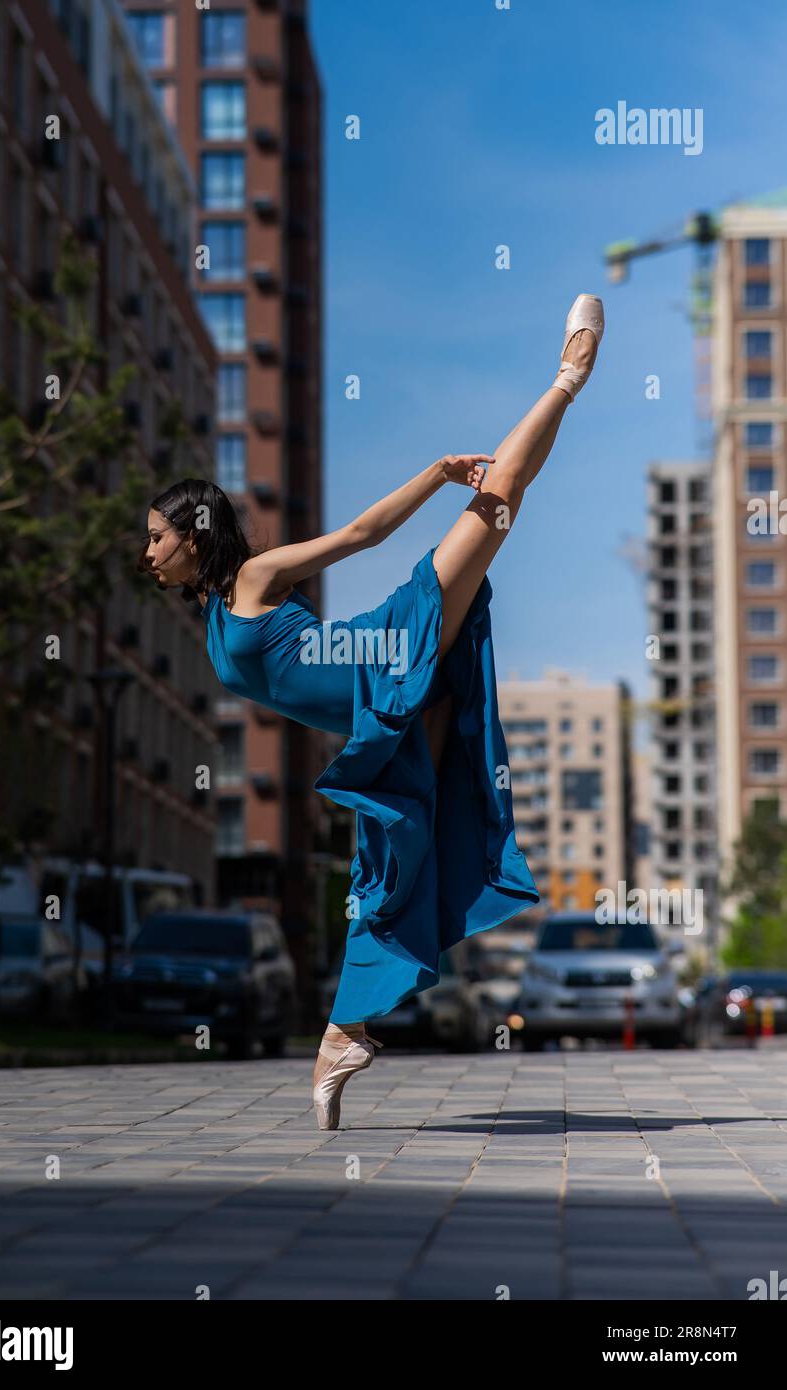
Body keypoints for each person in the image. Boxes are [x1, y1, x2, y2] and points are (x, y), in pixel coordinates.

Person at [139, 294, 604, 1129]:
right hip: (380, 718)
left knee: (496, 500)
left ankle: (568, 375)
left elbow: (356, 535)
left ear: (194, 535)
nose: (147, 553)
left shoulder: (252, 579)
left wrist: (431, 472)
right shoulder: (214, 615)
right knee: (386, 872)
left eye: (155, 538)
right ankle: (341, 1039)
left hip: (387, 652)